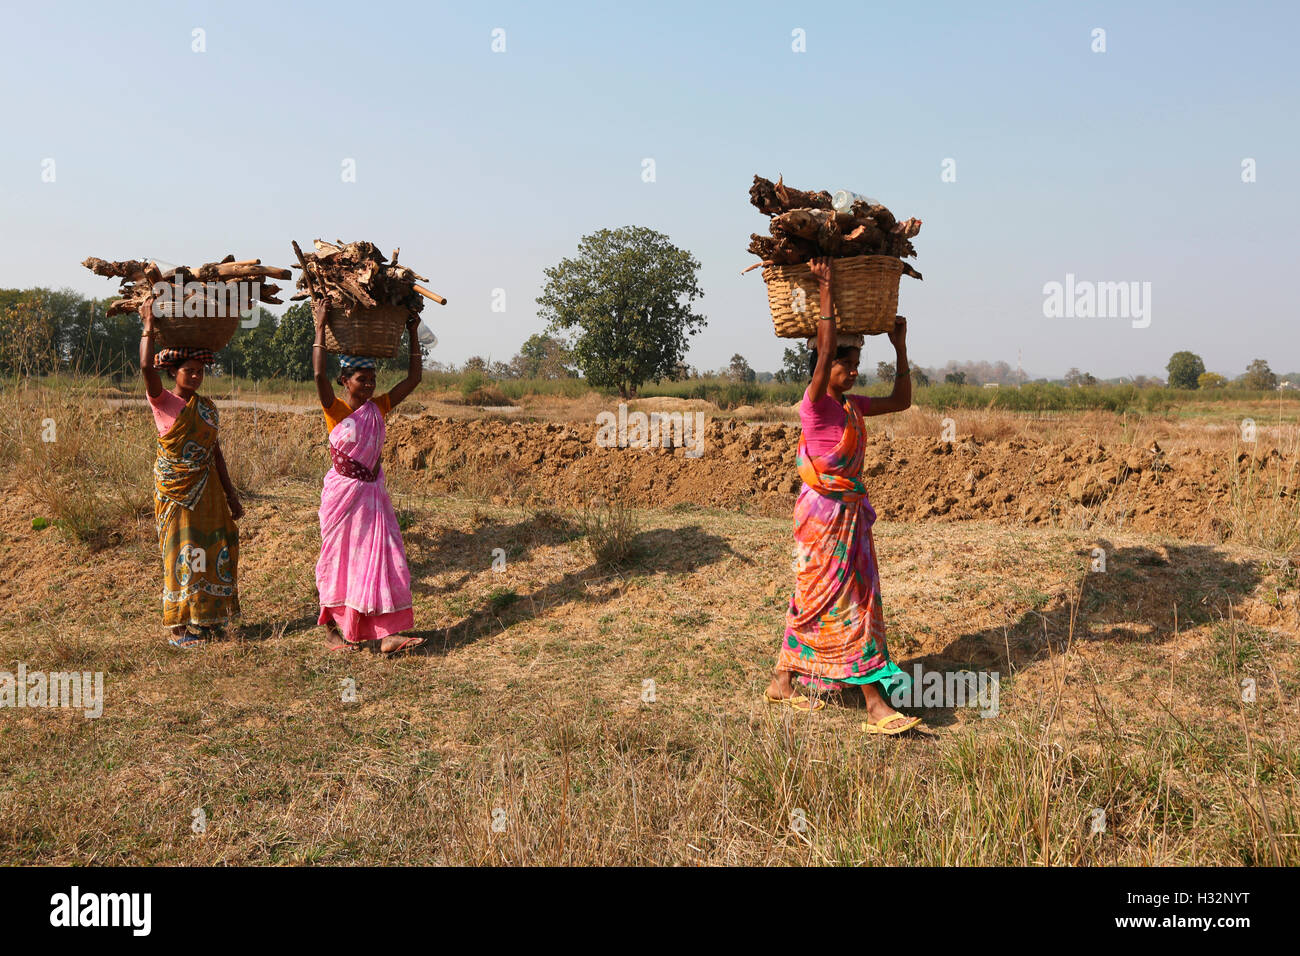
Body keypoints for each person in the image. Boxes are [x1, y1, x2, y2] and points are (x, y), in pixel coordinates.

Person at [763, 257, 923, 735]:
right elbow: (826, 340)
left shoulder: (853, 407)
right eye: (843, 364)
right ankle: (874, 703)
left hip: (848, 518)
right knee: (841, 600)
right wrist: (827, 288)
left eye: (855, 364)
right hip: (821, 519)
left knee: (818, 598)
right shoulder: (815, 406)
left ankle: (782, 681)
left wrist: (900, 348)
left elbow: (901, 402)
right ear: (820, 366)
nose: (852, 372)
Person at [311, 297, 426, 654]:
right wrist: (320, 325)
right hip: (343, 498)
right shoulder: (336, 409)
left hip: (373, 497)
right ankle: (332, 630)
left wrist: (412, 332)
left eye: (374, 379)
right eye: (362, 379)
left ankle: (387, 634)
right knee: (339, 560)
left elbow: (414, 378)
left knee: (386, 557)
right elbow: (317, 374)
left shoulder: (380, 408)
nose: (370, 385)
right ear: (345, 380)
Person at [138, 296, 243, 647]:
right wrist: (149, 328)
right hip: (176, 493)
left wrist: (231, 494)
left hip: (209, 492)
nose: (196, 376)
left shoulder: (208, 408)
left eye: (200, 371)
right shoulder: (163, 401)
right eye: (189, 371)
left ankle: (206, 618)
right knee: (179, 551)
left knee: (208, 548)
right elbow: (144, 368)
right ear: (174, 372)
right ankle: (178, 628)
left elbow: (216, 452)